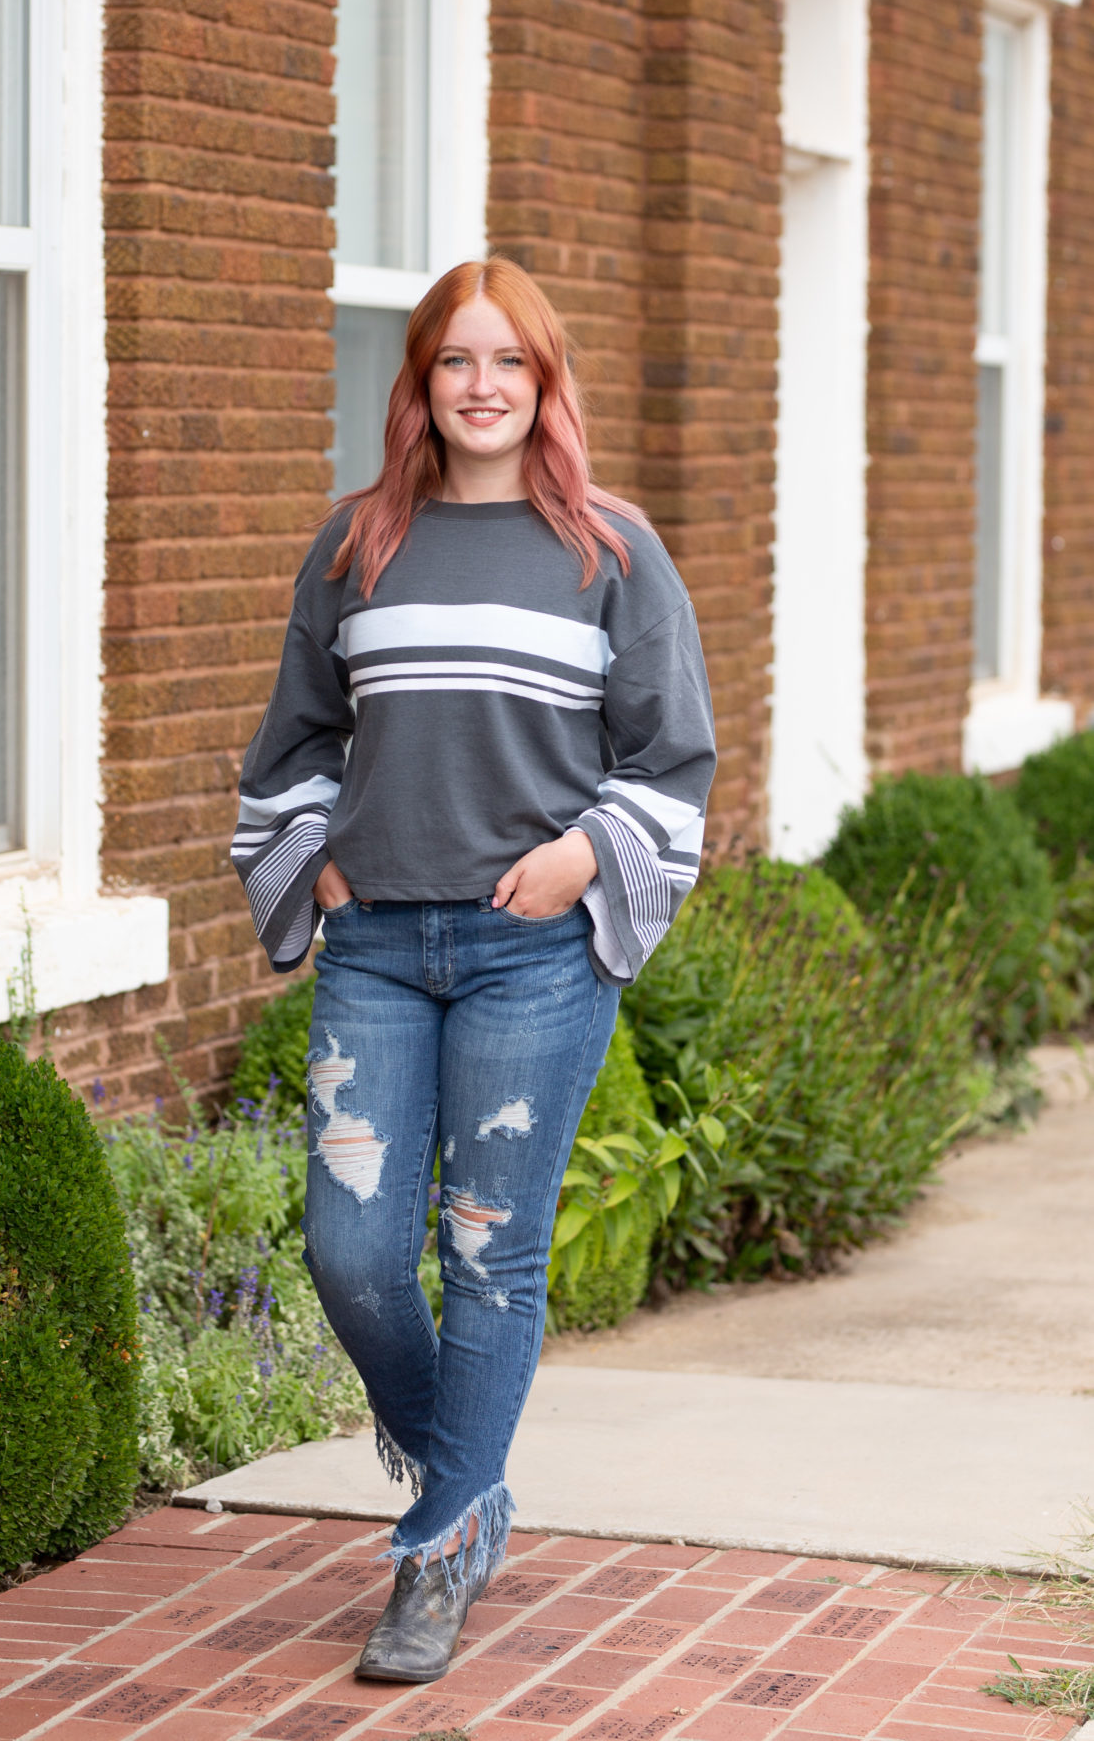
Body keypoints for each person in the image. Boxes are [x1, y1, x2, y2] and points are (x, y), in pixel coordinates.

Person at [231, 257, 717, 1685]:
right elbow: (294, 742)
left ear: (546, 383)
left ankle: (436, 1551)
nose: (483, 385)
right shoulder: (354, 548)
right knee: (349, 1251)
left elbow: (670, 757)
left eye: (511, 362)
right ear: (421, 384)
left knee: (491, 1251)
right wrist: (312, 850)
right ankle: (472, 1471)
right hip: (376, 944)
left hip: (531, 956)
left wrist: (586, 856)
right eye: (456, 361)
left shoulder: (609, 554)